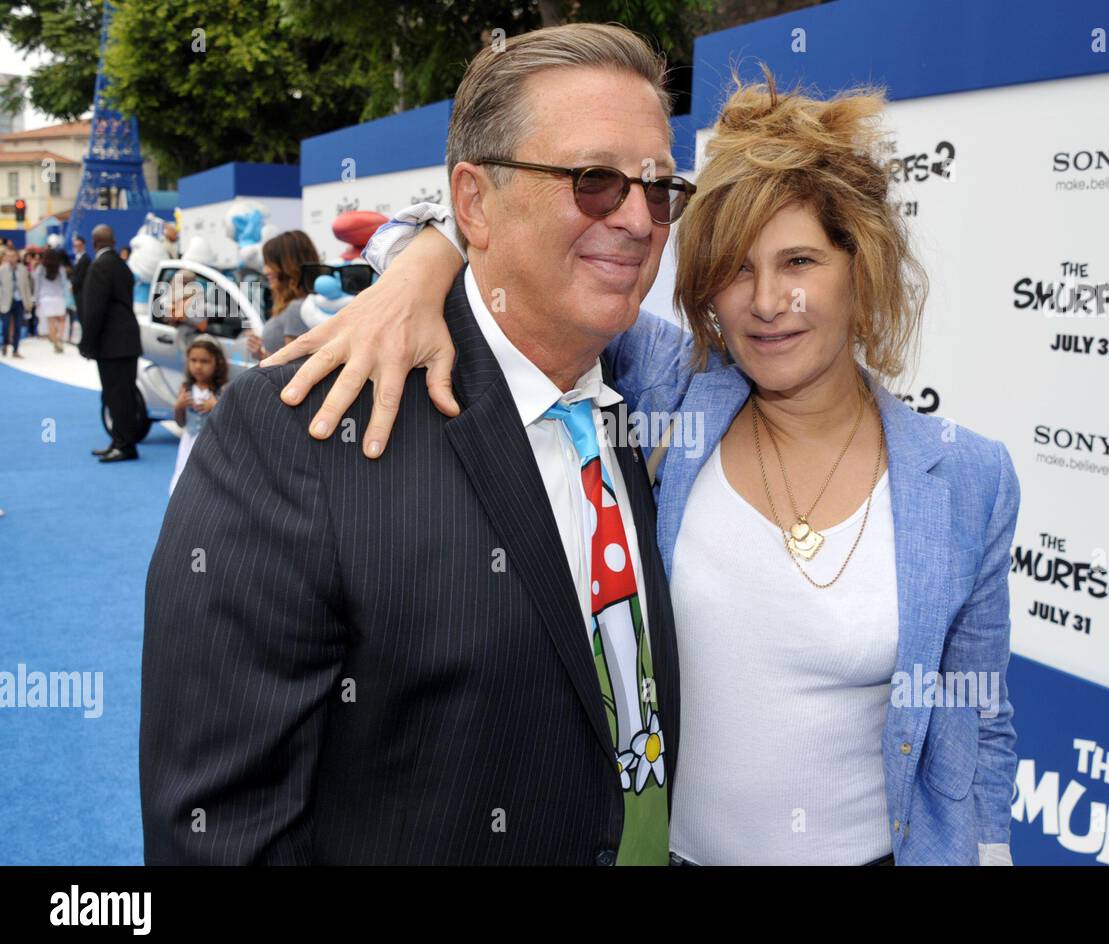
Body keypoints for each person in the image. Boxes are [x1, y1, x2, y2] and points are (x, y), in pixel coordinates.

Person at [268, 69, 1022, 864]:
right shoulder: (672, 391)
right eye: (735, 268)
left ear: (858, 268)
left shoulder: (968, 478)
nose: (766, 302)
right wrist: (420, 267)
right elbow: (512, 246)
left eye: (799, 262)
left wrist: (990, 853)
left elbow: (981, 717)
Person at [141, 23, 682, 865]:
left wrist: (428, 255)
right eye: (595, 181)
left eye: (658, 188)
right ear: (474, 202)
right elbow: (219, 830)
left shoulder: (650, 399)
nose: (638, 219)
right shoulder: (297, 433)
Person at [80, 224, 143, 462]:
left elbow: (94, 310)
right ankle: (120, 441)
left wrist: (87, 344)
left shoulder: (99, 266)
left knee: (116, 395)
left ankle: (124, 445)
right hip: (126, 340)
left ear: (94, 242)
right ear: (113, 241)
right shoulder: (121, 265)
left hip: (112, 344)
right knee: (122, 394)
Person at [244, 230, 318, 360]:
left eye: (269, 264)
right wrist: (261, 355)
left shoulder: (297, 308)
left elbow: (291, 369)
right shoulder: (294, 304)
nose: (265, 271)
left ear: (287, 266)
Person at [168, 337, 226, 495]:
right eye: (193, 360)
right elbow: (181, 423)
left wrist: (216, 407)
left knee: (208, 476)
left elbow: (228, 425)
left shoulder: (222, 391)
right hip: (189, 440)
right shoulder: (186, 388)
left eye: (204, 361)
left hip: (211, 443)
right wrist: (178, 406)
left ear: (217, 362)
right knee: (184, 471)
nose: (198, 366)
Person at [34, 247, 70, 354]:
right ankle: (59, 338)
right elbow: (64, 284)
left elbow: (37, 285)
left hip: (46, 298)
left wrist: (36, 300)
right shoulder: (61, 268)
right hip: (59, 298)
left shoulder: (40, 268)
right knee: (60, 320)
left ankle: (55, 342)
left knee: (51, 322)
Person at [0, 248, 32, 358]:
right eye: (8, 256)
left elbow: (27, 287)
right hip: (5, 302)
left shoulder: (23, 270)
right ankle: (5, 344)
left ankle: (15, 349)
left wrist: (28, 303)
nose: (11, 258)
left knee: (18, 326)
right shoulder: (2, 270)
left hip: (19, 302)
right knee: (5, 325)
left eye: (13, 256)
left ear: (17, 257)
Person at [69, 234, 90, 344]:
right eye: (75, 245)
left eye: (79, 245)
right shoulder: (78, 258)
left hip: (82, 292)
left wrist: (73, 285)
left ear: (83, 245)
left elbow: (81, 276)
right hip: (78, 292)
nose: (77, 247)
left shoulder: (85, 258)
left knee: (83, 316)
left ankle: (86, 340)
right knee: (80, 316)